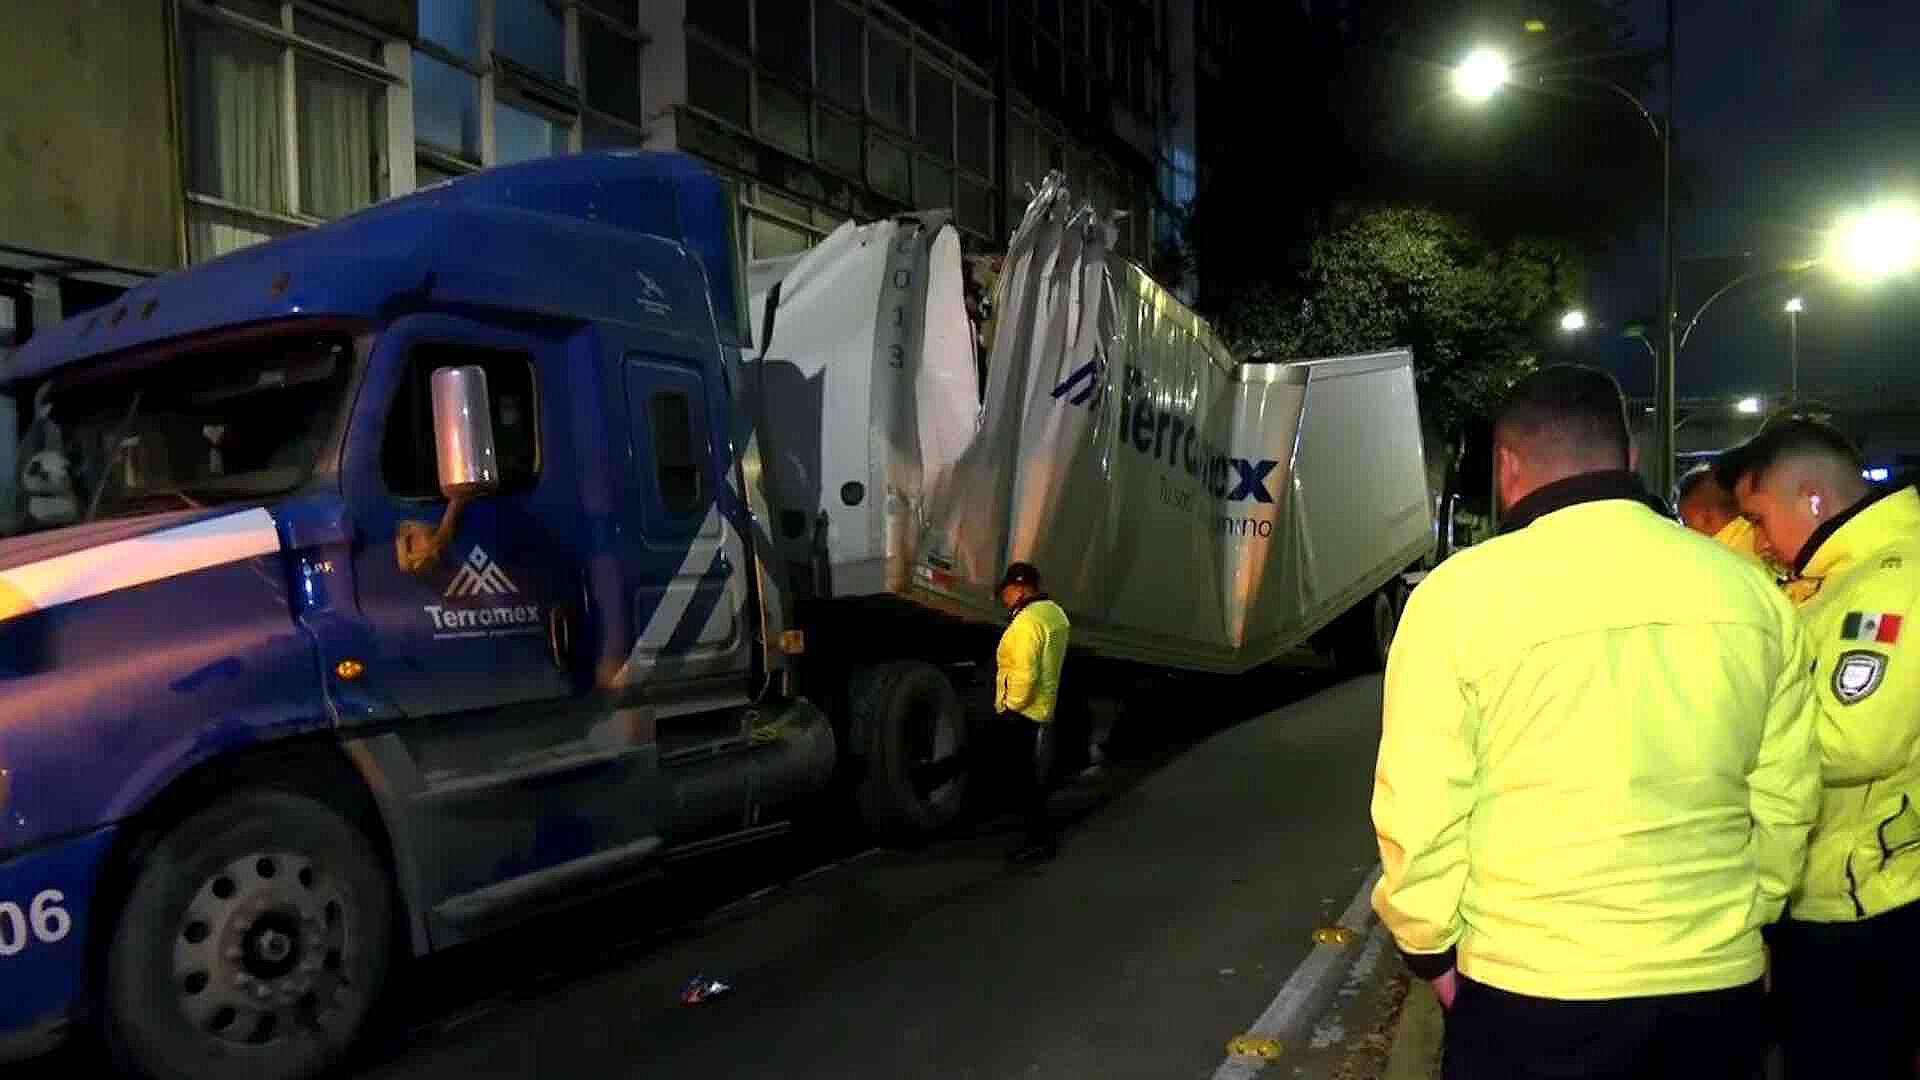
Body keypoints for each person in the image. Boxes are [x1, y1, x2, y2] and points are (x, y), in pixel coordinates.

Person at [1372, 365, 1821, 1080]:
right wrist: (1749, 911)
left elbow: (1421, 805)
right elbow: (1787, 795)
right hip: (1711, 984)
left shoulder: (1456, 600)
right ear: (1632, 457)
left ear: (1509, 466)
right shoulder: (1753, 596)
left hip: (1530, 984)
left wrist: (1430, 948)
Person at [1717, 419, 1920, 1079]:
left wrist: (1723, 737)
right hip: (1821, 887)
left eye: (1760, 517)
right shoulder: (1832, 573)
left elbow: (1851, 739)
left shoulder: (1891, 581)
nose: (1761, 541)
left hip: (1862, 904)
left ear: (1810, 499)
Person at [993, 561, 1071, 864]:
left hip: (1022, 711)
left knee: (1023, 782)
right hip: (1042, 708)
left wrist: (1010, 707)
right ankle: (1039, 838)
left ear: (1021, 587)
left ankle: (1036, 842)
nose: (1004, 598)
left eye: (1007, 591)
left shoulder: (1027, 623)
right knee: (1032, 779)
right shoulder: (1054, 615)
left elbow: (1025, 674)